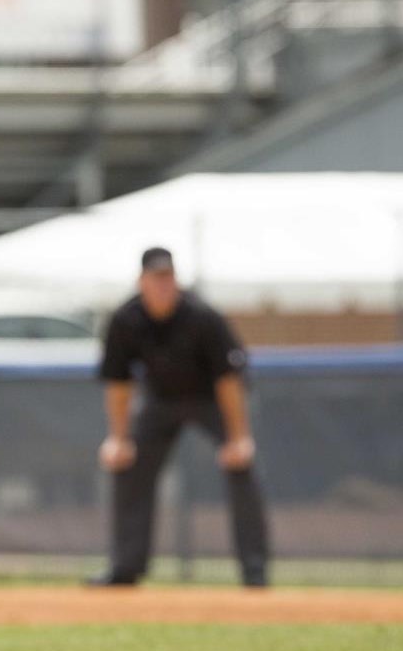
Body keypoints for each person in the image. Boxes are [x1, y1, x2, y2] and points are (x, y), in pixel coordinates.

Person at [90, 247, 270, 588]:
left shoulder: (202, 316)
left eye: (169, 278)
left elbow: (229, 381)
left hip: (212, 400)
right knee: (128, 465)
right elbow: (118, 382)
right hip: (160, 401)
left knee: (242, 465)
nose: (164, 285)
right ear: (141, 281)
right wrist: (118, 437)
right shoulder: (126, 320)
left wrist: (238, 438)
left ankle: (255, 572)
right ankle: (125, 568)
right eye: (156, 278)